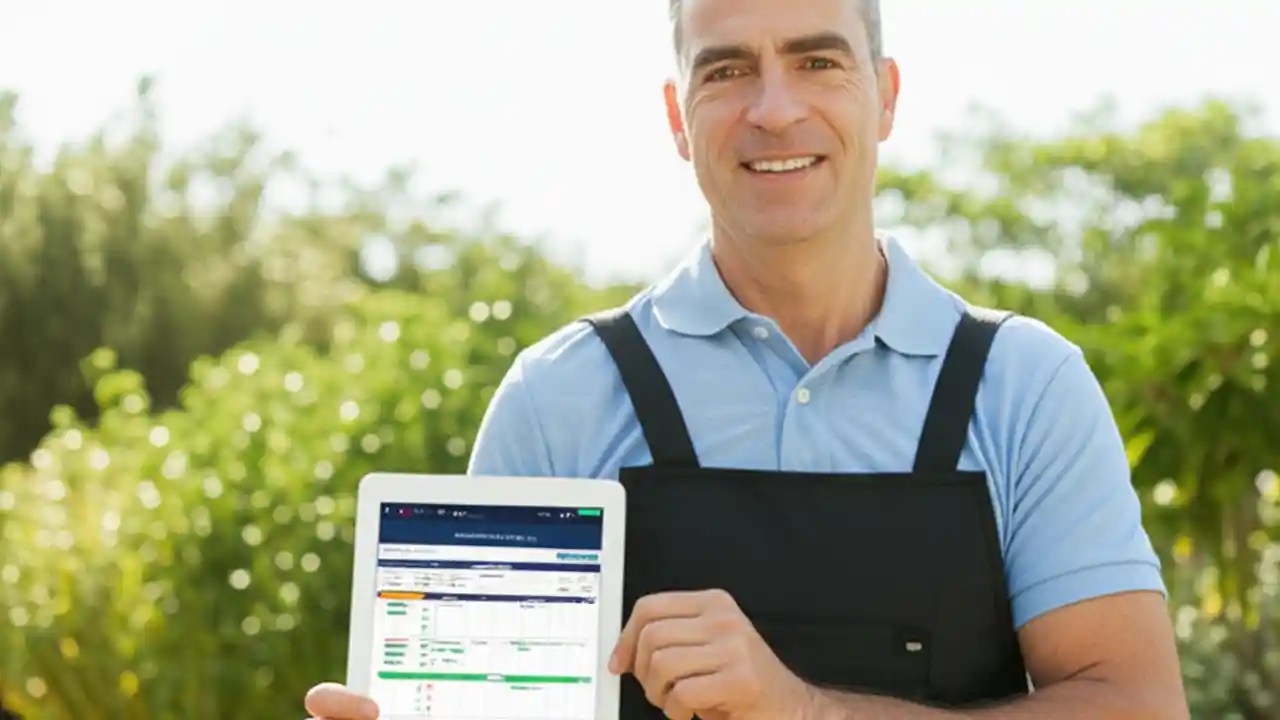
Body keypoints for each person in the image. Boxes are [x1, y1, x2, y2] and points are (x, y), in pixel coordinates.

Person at [304, 0, 1188, 717]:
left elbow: (1138, 708)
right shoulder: (558, 397)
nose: (774, 109)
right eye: (726, 71)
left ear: (884, 96)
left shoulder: (1026, 388)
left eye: (817, 61)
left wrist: (806, 712)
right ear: (675, 117)